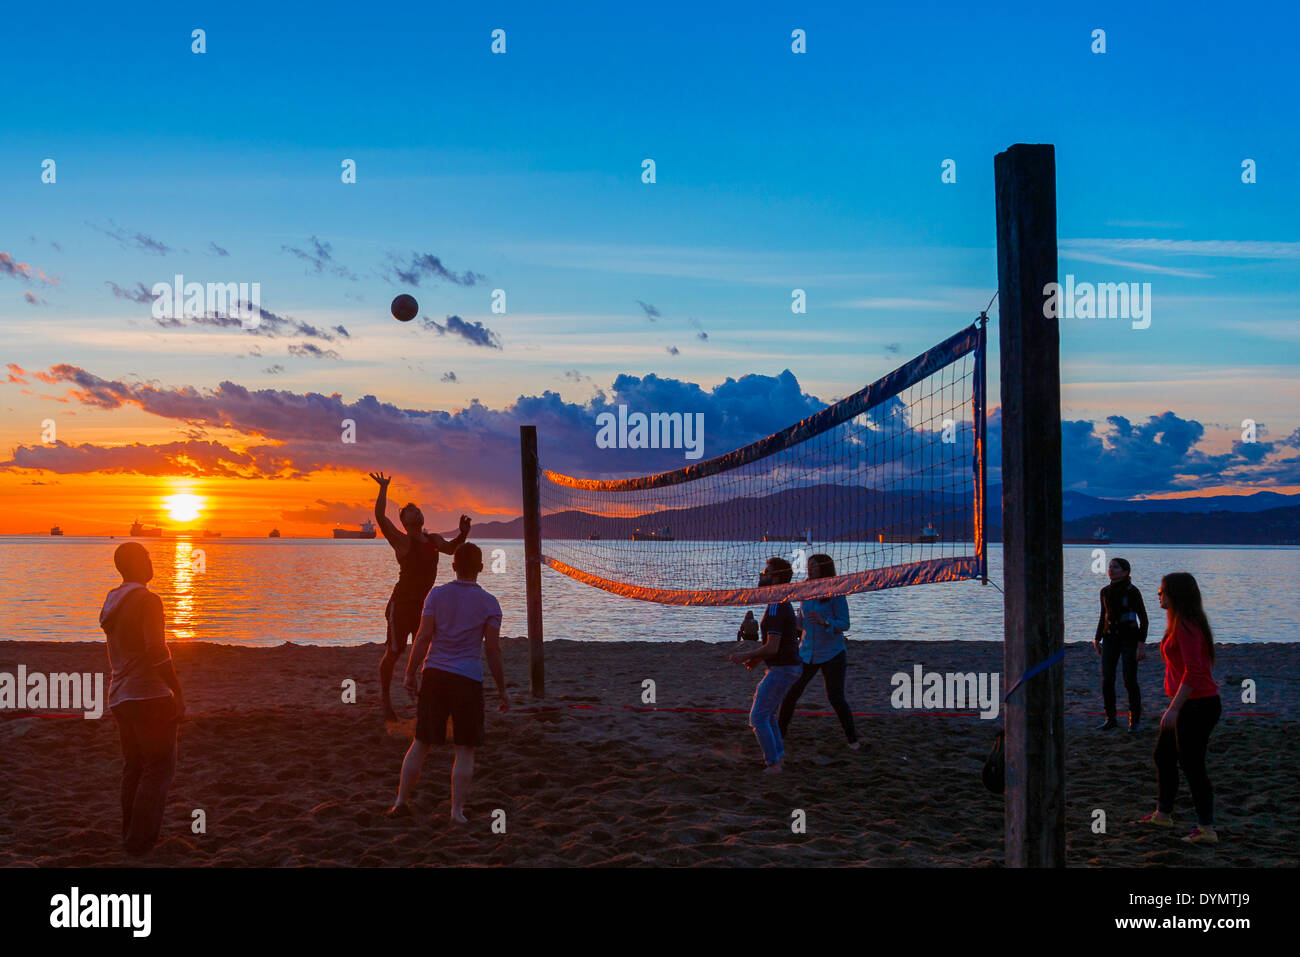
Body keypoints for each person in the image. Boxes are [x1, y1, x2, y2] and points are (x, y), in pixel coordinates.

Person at [388, 543, 508, 823]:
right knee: (465, 748)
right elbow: (492, 650)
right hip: (467, 679)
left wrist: (409, 672)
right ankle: (456, 812)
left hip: (436, 676)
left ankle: (400, 803)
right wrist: (503, 691)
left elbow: (423, 636)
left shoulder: (437, 594)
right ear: (480, 568)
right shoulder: (490, 603)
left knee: (421, 743)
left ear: (453, 566)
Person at [98, 542, 185, 856]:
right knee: (159, 768)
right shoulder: (148, 601)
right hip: (148, 694)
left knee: (134, 766)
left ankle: (130, 834)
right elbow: (156, 650)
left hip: (120, 695)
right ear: (136, 564)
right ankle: (140, 841)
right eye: (147, 557)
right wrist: (177, 689)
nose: (152, 562)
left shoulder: (113, 599)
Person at [370, 471, 470, 721]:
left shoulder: (433, 539)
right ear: (404, 521)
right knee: (394, 652)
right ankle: (385, 700)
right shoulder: (402, 542)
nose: (415, 512)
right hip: (401, 605)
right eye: (409, 511)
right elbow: (381, 517)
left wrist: (463, 533)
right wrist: (383, 488)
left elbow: (451, 549)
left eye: (417, 510)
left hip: (425, 607)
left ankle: (424, 699)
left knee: (426, 652)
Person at [1137, 572, 1221, 844]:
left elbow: (1195, 672)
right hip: (1190, 703)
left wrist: (1173, 708)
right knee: (1163, 755)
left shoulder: (1186, 625)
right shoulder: (1178, 623)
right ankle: (1164, 814)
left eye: (1163, 591)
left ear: (1177, 594)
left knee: (1192, 765)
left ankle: (1206, 829)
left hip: (1198, 705)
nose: (1159, 595)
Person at [728, 557, 804, 772]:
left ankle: (773, 763)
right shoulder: (778, 602)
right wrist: (758, 659)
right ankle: (778, 756)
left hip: (784, 668)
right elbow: (776, 645)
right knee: (767, 713)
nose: (762, 574)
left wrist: (745, 655)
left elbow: (773, 647)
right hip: (786, 666)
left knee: (758, 717)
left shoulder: (777, 606)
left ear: (777, 576)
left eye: (766, 571)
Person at [778, 554, 859, 749]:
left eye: (814, 566)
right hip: (806, 652)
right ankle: (779, 736)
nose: (810, 569)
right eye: (809, 566)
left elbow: (845, 624)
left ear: (824, 568)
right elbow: (800, 621)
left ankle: (853, 740)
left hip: (832, 652)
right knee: (791, 694)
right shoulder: (805, 590)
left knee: (835, 697)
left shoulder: (835, 591)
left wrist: (826, 622)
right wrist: (788, 624)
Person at [1093, 557, 1150, 732]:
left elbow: (1144, 620)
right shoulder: (1105, 591)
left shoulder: (1132, 591)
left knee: (1129, 680)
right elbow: (1104, 616)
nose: (1112, 570)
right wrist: (1097, 638)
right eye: (1110, 567)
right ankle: (1111, 718)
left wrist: (1141, 644)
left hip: (1129, 639)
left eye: (1116, 567)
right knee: (1107, 680)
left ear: (1126, 571)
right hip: (1110, 639)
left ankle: (1135, 721)